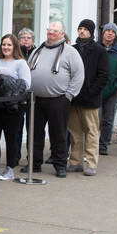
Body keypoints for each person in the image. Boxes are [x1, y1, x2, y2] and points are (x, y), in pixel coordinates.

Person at [27, 21, 84, 177]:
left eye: (54, 31)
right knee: (34, 133)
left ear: (62, 33)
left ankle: (60, 165)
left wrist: (69, 96)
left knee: (58, 134)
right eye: (49, 30)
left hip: (58, 99)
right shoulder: (39, 49)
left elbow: (79, 75)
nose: (50, 33)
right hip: (36, 100)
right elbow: (28, 68)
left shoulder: (70, 52)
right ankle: (34, 163)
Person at [66, 19, 110, 177]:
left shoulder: (99, 51)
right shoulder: (72, 49)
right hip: (74, 97)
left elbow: (104, 75)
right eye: (80, 28)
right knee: (74, 132)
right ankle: (75, 161)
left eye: (85, 29)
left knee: (91, 132)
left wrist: (93, 90)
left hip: (90, 99)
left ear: (91, 31)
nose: (82, 31)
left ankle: (91, 163)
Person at [0, 33, 30, 180]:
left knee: (11, 138)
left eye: (9, 45)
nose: (6, 47)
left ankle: (10, 168)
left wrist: (7, 85)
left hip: (13, 107)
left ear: (14, 46)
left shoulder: (20, 63)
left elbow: (26, 84)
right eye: (4, 44)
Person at [97, 24, 117, 157]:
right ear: (103, 33)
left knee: (108, 120)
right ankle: (91, 145)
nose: (110, 33)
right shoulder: (96, 47)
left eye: (112, 32)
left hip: (112, 91)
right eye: (107, 31)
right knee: (93, 120)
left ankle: (103, 145)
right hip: (96, 90)